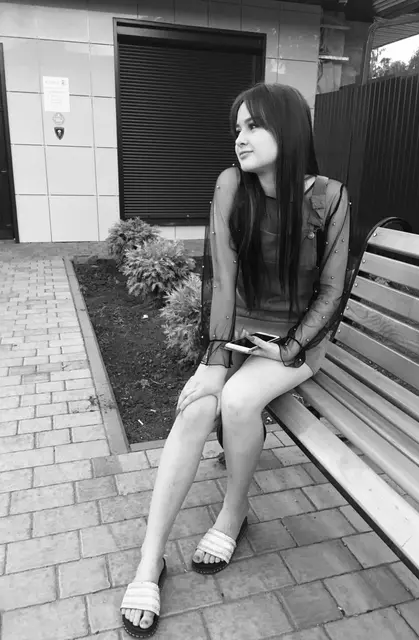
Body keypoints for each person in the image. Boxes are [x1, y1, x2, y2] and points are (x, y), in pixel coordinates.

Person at [120, 82, 350, 638]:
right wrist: (214, 360)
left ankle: (234, 511)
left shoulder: (330, 197)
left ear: (288, 130)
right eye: (237, 128)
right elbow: (222, 280)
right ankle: (150, 561)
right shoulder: (231, 186)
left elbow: (331, 290)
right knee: (199, 407)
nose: (239, 138)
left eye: (253, 126)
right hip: (239, 327)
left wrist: (290, 347)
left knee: (242, 401)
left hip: (297, 338)